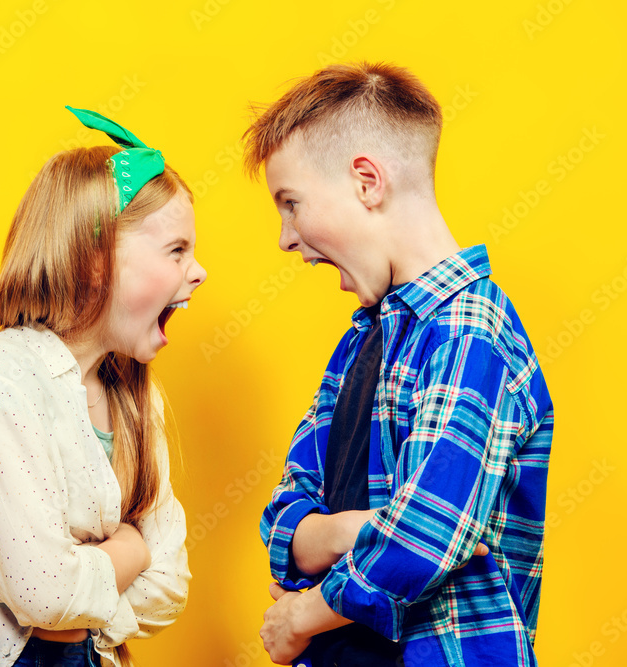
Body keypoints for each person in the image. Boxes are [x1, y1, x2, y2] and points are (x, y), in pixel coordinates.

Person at [245, 62, 554, 666]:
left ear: (366, 181)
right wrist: (359, 528)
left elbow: (425, 535)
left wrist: (303, 616)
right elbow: (286, 510)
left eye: (292, 203)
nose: (285, 237)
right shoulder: (364, 340)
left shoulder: (469, 332)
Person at [0, 106, 206, 667]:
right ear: (94, 262)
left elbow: (170, 586)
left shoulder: (137, 399)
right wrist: (130, 547)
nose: (200, 270)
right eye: (176, 250)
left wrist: (79, 602)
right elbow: (44, 591)